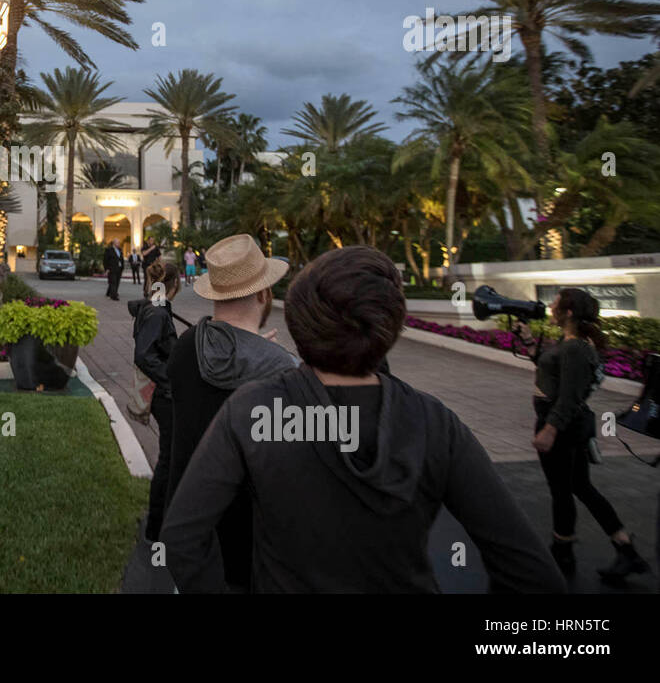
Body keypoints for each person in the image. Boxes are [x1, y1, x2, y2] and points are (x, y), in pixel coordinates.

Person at [162, 245, 566, 594]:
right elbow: (531, 572)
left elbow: (182, 535)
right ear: (389, 326)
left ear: (300, 324)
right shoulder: (433, 422)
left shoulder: (253, 409)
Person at [163, 234, 297, 589]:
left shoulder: (184, 349)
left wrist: (252, 350)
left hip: (191, 536)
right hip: (252, 545)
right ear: (264, 293)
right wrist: (262, 354)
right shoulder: (284, 371)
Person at [515, 288, 651, 584]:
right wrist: (527, 340)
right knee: (581, 487)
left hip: (562, 426)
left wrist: (550, 429)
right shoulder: (572, 343)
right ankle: (625, 548)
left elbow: (569, 397)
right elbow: (551, 372)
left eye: (556, 303)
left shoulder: (576, 348)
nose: (550, 307)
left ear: (568, 312)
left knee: (562, 491)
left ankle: (562, 554)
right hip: (566, 424)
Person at [127, 260, 182, 540]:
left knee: (171, 457)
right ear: (175, 284)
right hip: (165, 396)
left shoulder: (155, 308)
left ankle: (161, 523)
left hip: (164, 393)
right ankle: (156, 528)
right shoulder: (157, 313)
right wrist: (171, 379)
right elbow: (144, 355)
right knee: (169, 459)